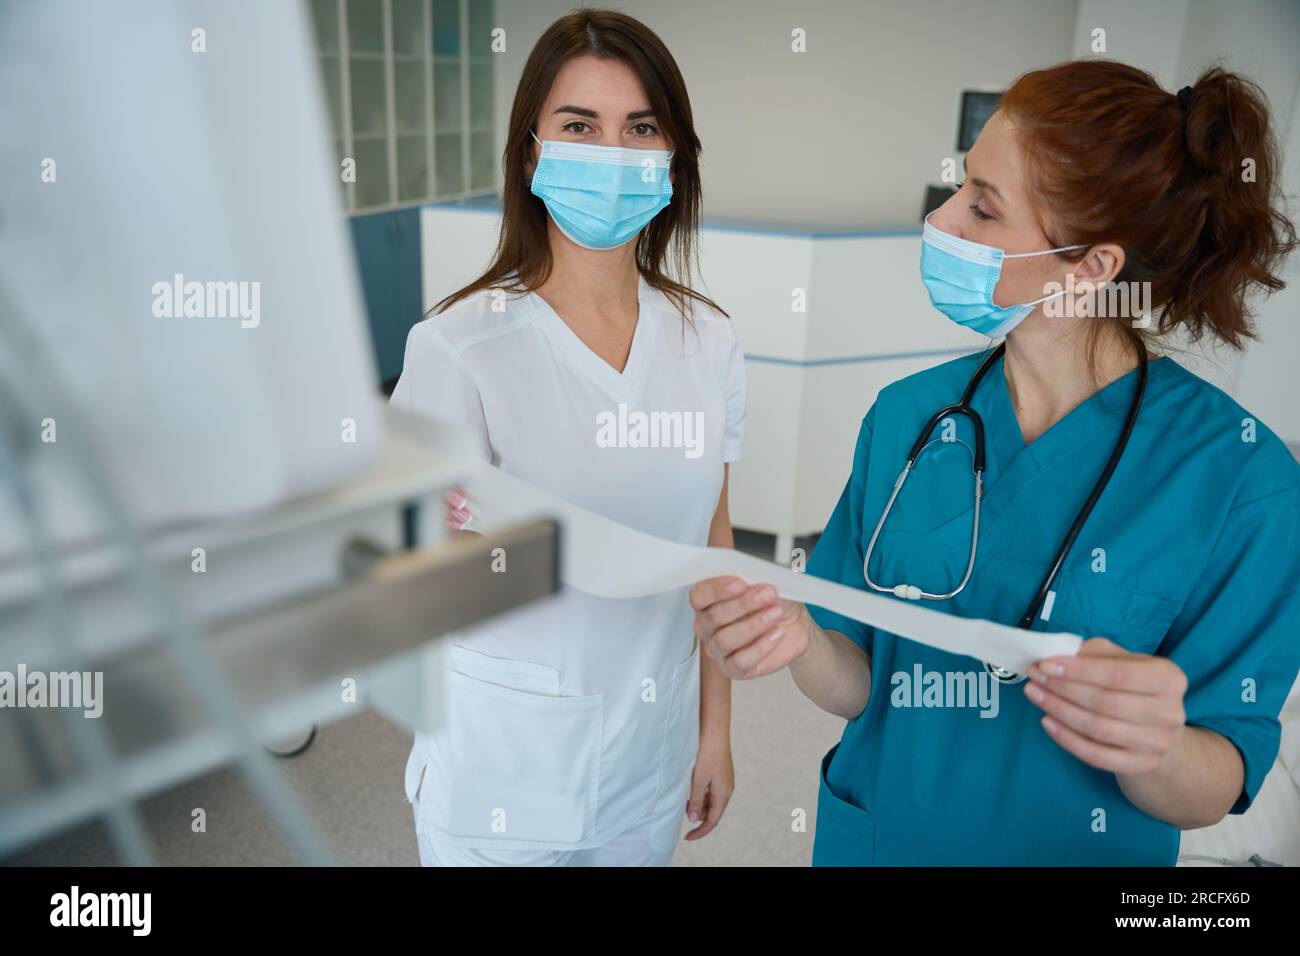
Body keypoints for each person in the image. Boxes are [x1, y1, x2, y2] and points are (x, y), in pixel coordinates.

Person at [689, 61, 1300, 865]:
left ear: (1092, 268)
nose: (941, 220)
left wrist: (1154, 744)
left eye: (982, 206)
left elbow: (1217, 779)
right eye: (958, 189)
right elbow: (861, 678)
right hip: (880, 839)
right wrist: (799, 637)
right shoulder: (909, 416)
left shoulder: (1239, 478)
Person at [390, 9, 745, 866]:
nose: (613, 153)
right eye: (579, 126)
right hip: (502, 770)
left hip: (649, 760)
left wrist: (717, 730)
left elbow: (715, 546)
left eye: (641, 128)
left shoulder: (708, 340)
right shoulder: (459, 347)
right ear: (531, 154)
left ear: (672, 157)